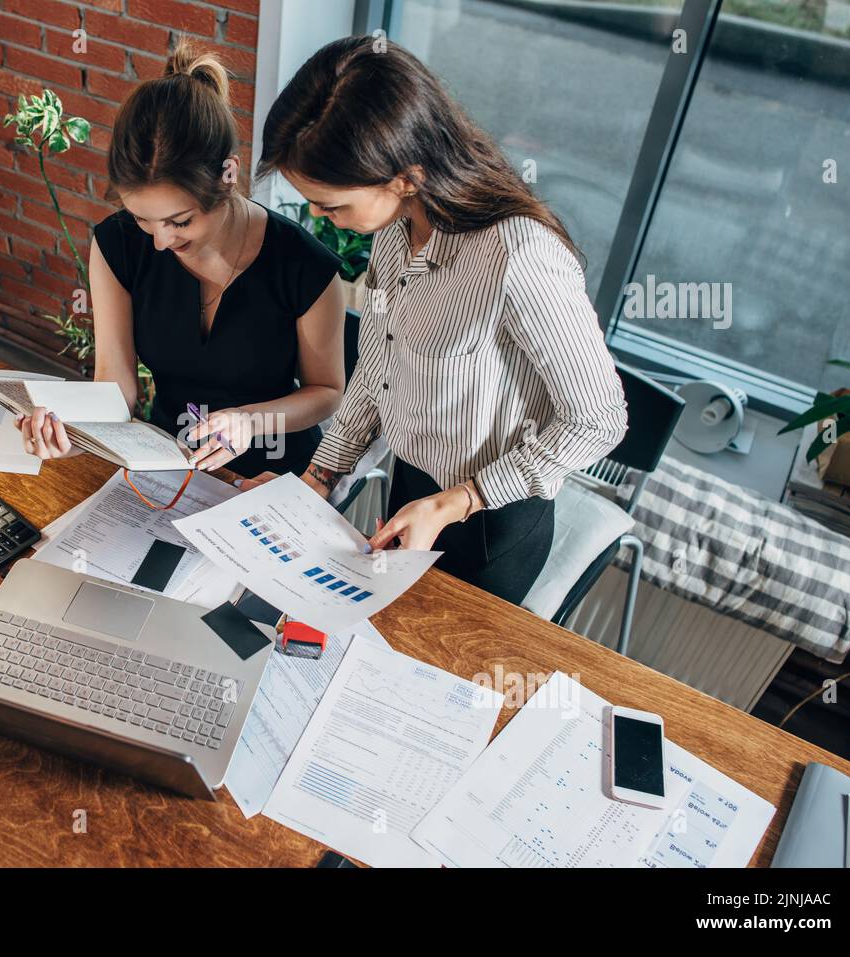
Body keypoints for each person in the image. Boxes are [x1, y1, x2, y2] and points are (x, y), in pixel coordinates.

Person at [243, 37, 628, 605]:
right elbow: (376, 372)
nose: (320, 219)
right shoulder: (397, 234)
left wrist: (457, 502)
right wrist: (317, 481)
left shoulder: (519, 256)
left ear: (405, 176)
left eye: (332, 205)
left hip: (489, 522)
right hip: (413, 489)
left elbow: (599, 419)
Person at [17, 41, 346, 480]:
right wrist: (71, 435)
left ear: (228, 176)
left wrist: (251, 421)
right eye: (142, 219)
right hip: (168, 460)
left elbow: (326, 392)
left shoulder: (305, 266)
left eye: (180, 221)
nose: (159, 242)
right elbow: (115, 383)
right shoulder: (118, 243)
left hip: (277, 477)